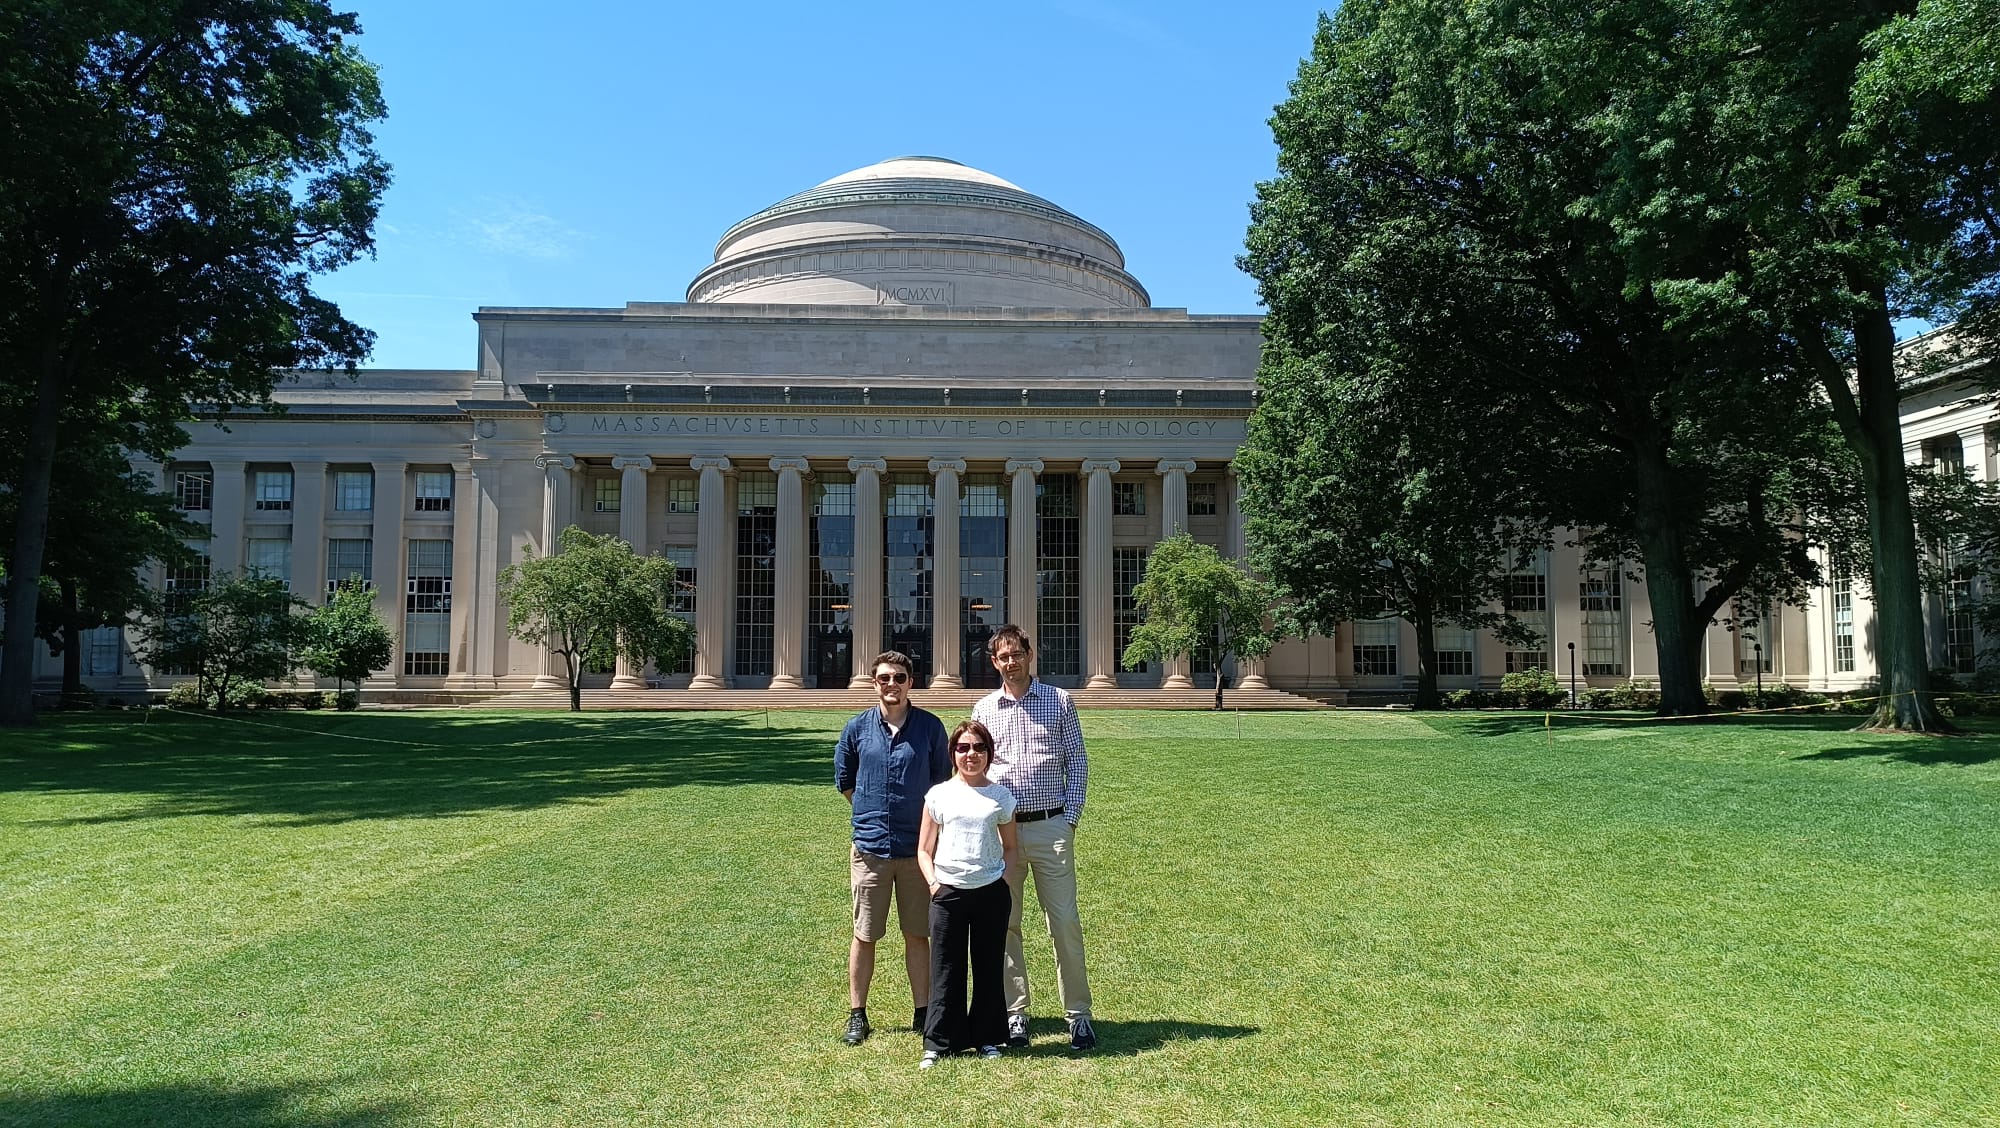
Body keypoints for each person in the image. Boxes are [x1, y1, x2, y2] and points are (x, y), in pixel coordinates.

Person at [971, 624, 1096, 1052]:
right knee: (1006, 926)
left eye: (1016, 654)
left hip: (1051, 828)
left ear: (1029, 655)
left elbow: (1077, 763)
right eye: (1002, 656)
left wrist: (1070, 819)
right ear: (995, 662)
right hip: (1002, 834)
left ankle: (1078, 1016)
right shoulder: (984, 709)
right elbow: (978, 771)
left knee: (1064, 923)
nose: (1010, 662)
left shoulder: (1060, 701)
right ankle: (1015, 1014)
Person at [833, 650, 951, 1046]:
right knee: (864, 933)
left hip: (918, 850)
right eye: (884, 678)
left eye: (899, 677)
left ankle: (923, 1012)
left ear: (910, 683)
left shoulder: (931, 728)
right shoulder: (857, 729)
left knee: (918, 934)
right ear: (874, 683)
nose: (892, 684)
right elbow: (845, 780)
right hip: (870, 849)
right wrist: (871, 810)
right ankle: (857, 1014)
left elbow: (940, 784)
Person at [915, 719, 1018, 1068]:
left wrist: (1002, 879)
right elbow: (924, 850)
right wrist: (933, 883)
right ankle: (940, 1042)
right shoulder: (938, 795)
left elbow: (1011, 847)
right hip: (948, 893)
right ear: (953, 753)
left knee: (989, 967)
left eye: (978, 748)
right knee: (946, 969)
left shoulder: (1001, 797)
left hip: (990, 892)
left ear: (988, 753)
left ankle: (987, 1037)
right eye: (963, 748)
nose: (970, 754)